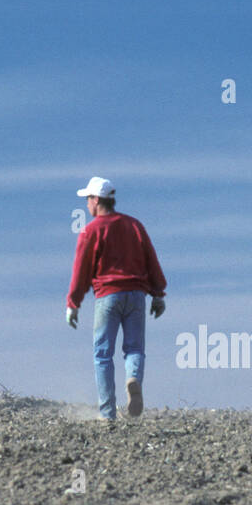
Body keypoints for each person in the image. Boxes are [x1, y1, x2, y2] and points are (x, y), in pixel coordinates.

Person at [65, 177, 167, 421]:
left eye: (88, 199)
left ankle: (107, 413)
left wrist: (73, 303)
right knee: (134, 349)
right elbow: (150, 260)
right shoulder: (134, 226)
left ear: (97, 200)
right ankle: (133, 379)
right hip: (136, 295)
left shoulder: (91, 231)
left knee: (102, 354)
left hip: (108, 297)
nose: (87, 204)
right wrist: (158, 294)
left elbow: (81, 271)